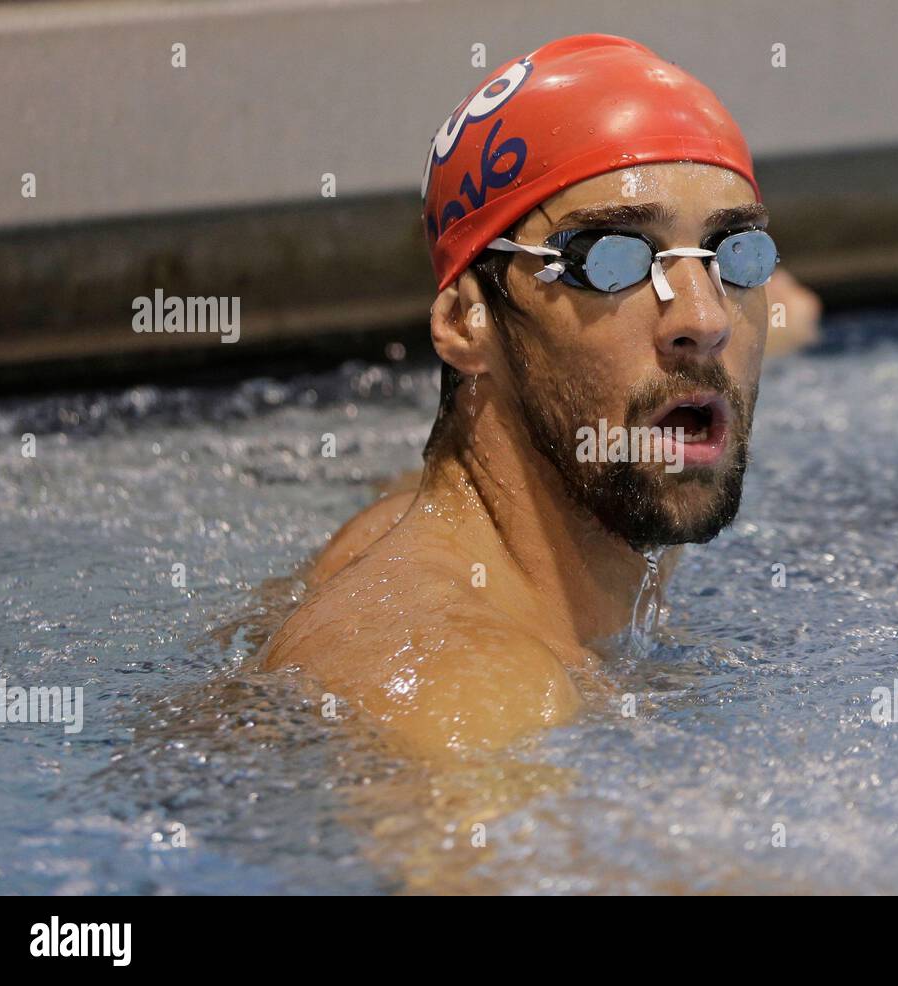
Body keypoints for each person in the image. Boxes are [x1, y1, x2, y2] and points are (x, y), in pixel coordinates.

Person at [262, 34, 818, 758]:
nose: (705, 321)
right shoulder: (457, 685)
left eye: (735, 252)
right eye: (613, 262)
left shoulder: (506, 523)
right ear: (468, 321)